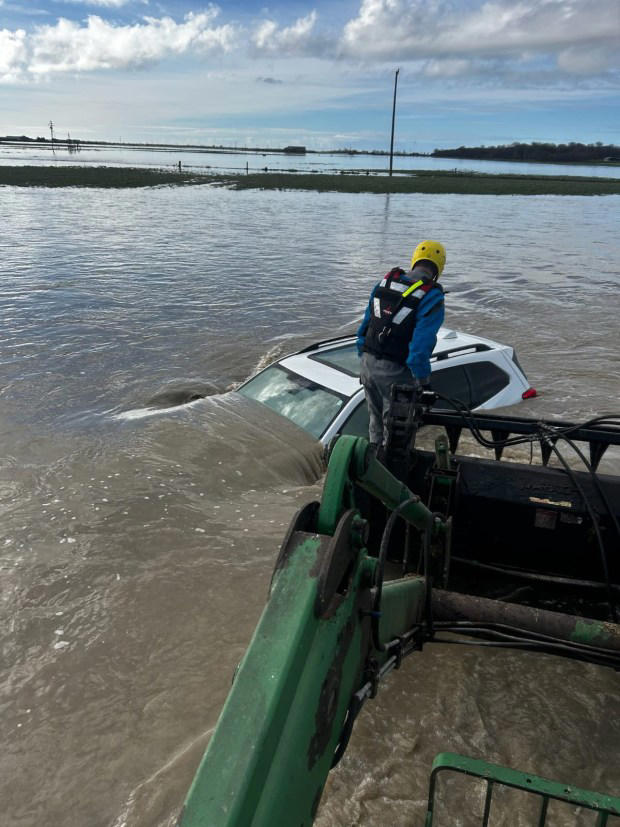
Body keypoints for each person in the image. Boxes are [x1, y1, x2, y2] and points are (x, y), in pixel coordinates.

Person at [356, 240, 446, 455]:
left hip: (367, 364)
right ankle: (390, 477)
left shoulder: (386, 283)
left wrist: (362, 361)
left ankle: (371, 468)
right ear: (439, 268)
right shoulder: (431, 296)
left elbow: (365, 328)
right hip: (395, 373)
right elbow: (420, 348)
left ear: (414, 260)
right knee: (397, 437)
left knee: (375, 425)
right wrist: (424, 383)